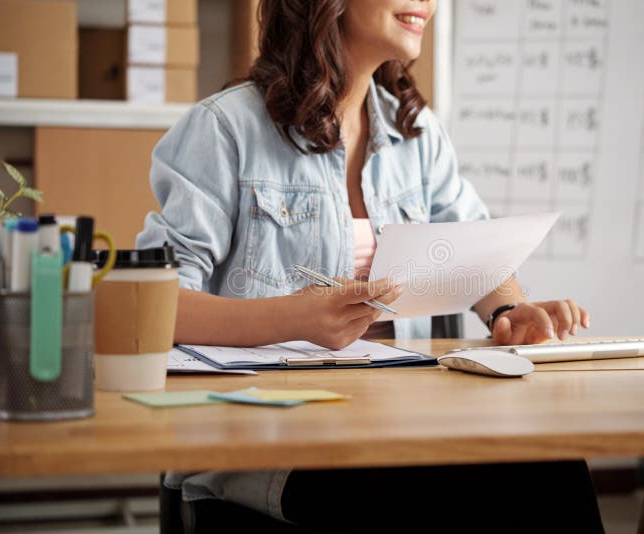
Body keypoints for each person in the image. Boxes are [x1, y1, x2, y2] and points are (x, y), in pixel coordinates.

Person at [138, 0, 603, 531]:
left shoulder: (418, 136)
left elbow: (477, 253)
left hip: (402, 425)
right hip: (270, 445)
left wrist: (509, 309)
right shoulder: (223, 129)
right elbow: (154, 305)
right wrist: (295, 318)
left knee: (554, 467)